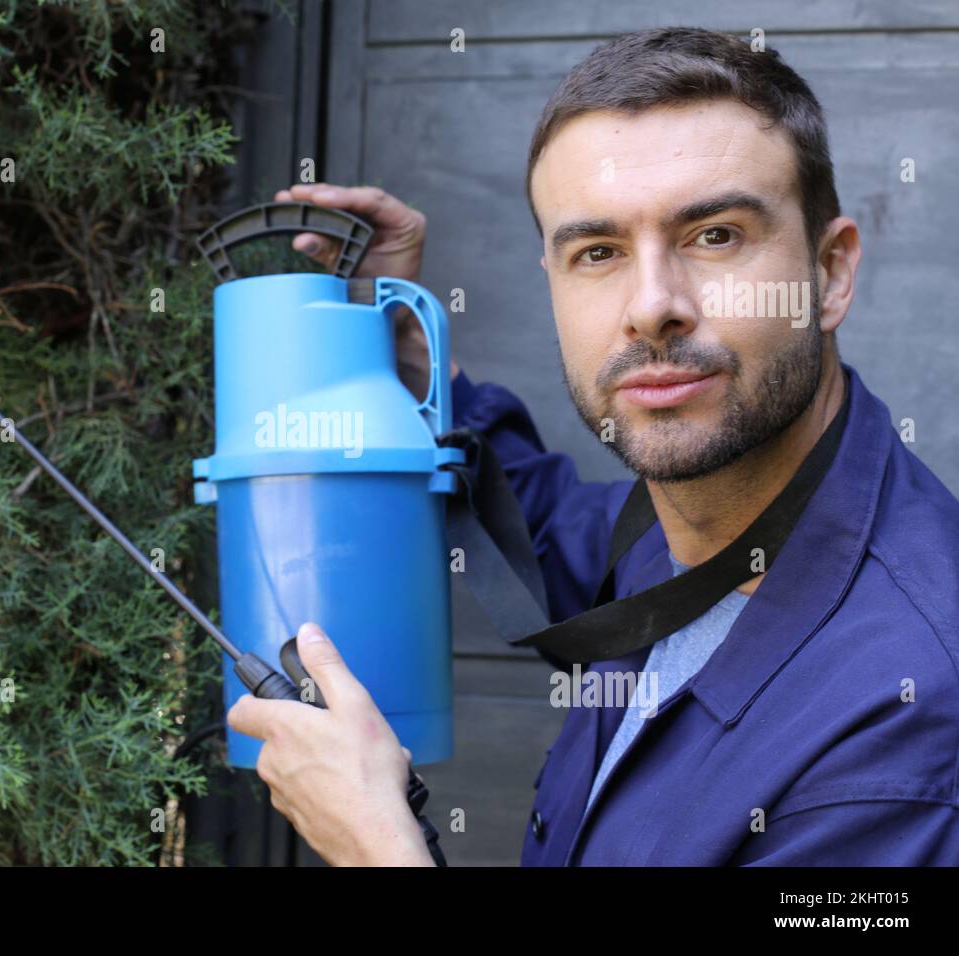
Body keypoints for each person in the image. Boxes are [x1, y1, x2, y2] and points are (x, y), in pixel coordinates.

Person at [227, 27, 959, 866]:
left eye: (714, 235)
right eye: (598, 252)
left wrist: (377, 848)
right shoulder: (684, 530)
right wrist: (409, 343)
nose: (651, 306)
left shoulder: (912, 718)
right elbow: (547, 533)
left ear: (828, 274)